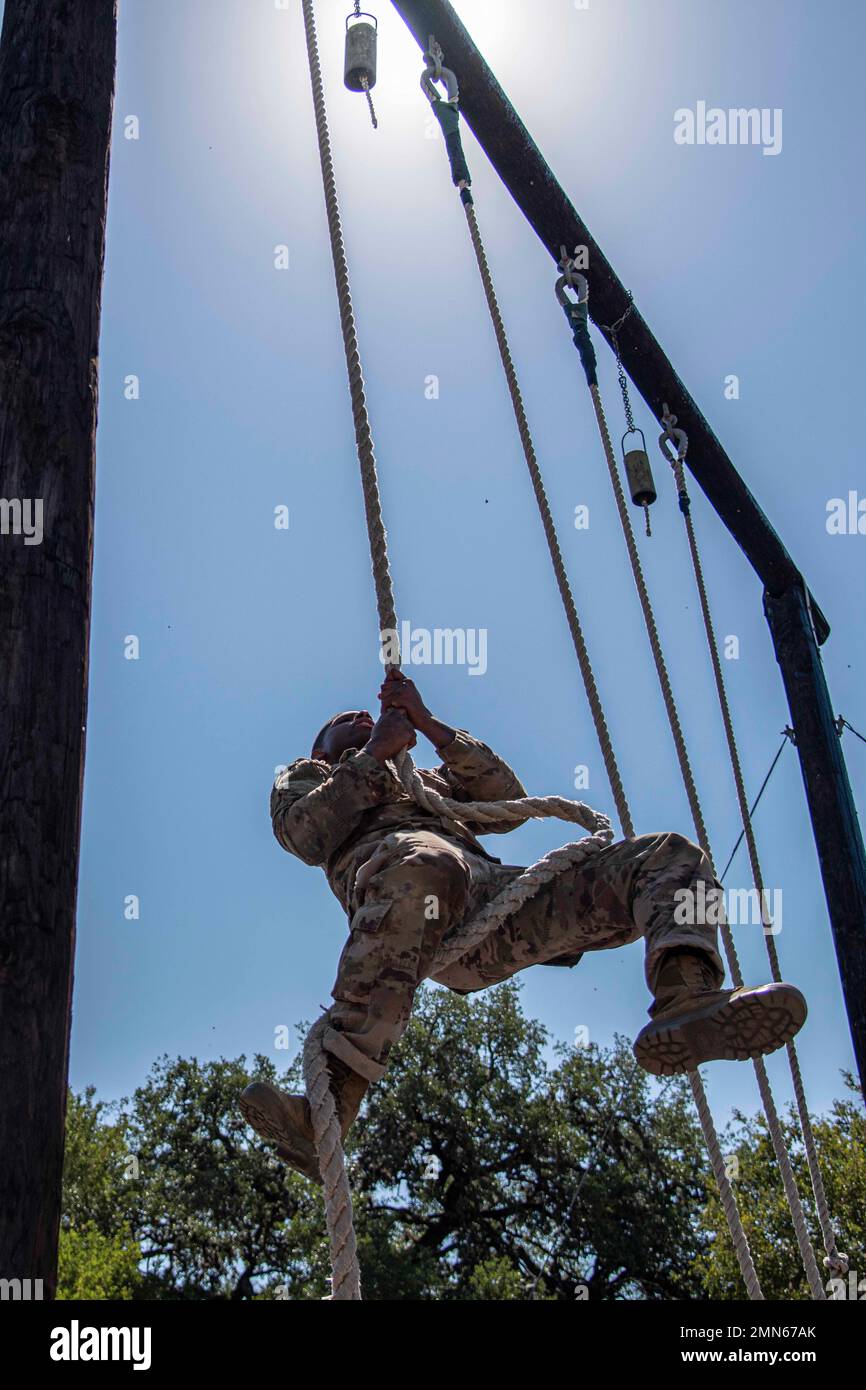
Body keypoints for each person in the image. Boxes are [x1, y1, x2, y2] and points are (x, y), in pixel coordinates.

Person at [241, 670, 806, 1182]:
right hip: (412, 898)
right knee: (429, 863)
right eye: (345, 722)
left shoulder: (424, 782)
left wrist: (429, 725)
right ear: (320, 747)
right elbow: (306, 833)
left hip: (493, 903)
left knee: (668, 856)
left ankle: (686, 991)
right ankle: (329, 1113)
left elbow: (507, 802)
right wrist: (373, 754)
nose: (361, 719)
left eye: (365, 716)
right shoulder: (306, 777)